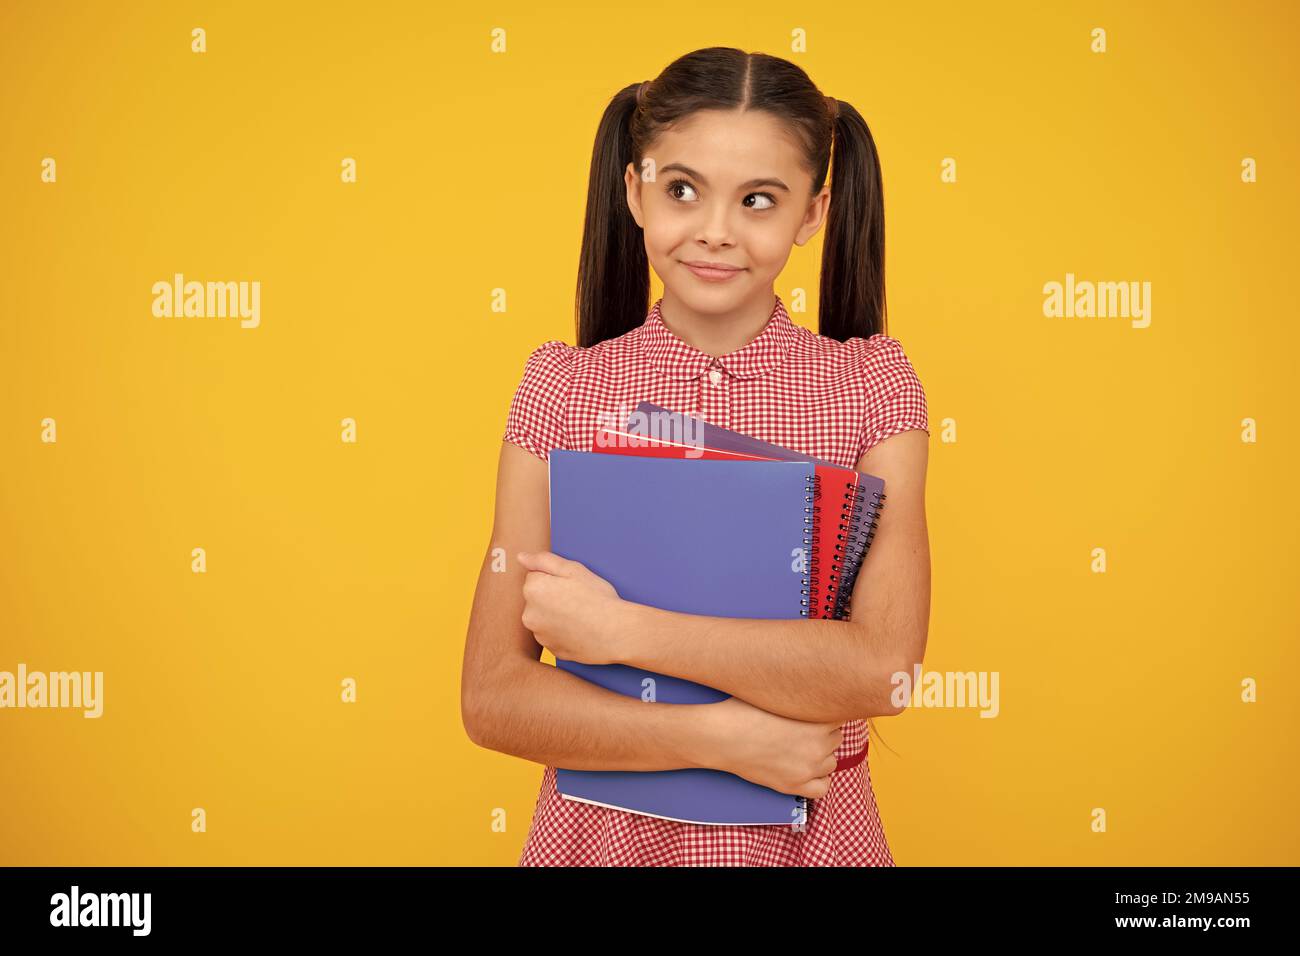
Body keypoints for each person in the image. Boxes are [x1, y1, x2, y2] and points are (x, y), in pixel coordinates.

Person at [461, 46, 931, 866]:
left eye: (758, 200)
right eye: (682, 189)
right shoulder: (561, 388)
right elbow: (493, 697)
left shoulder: (870, 387)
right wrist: (719, 737)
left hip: (812, 842)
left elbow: (882, 667)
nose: (715, 231)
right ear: (635, 190)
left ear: (812, 214)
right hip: (602, 844)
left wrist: (620, 629)